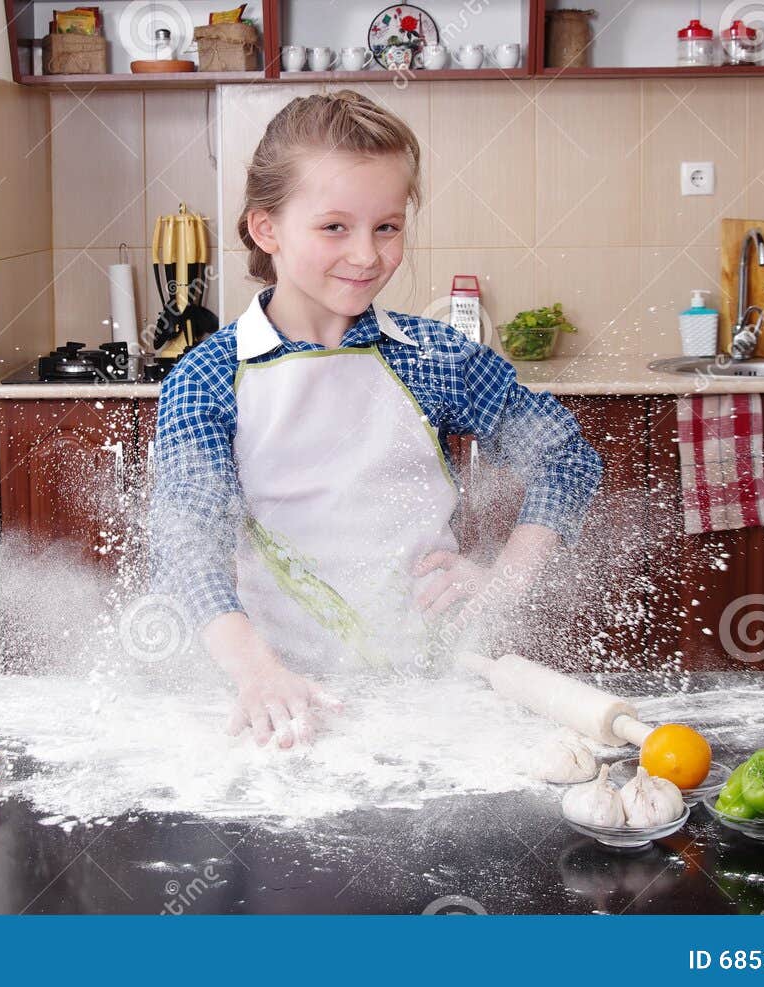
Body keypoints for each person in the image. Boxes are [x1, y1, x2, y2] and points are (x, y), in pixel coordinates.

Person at [148, 90, 602, 749]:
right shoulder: (211, 377)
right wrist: (256, 672)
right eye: (335, 227)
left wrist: (506, 580)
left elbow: (565, 455)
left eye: (386, 227)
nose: (366, 254)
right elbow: (188, 543)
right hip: (279, 702)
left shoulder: (434, 356)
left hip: (432, 696)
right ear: (266, 228)